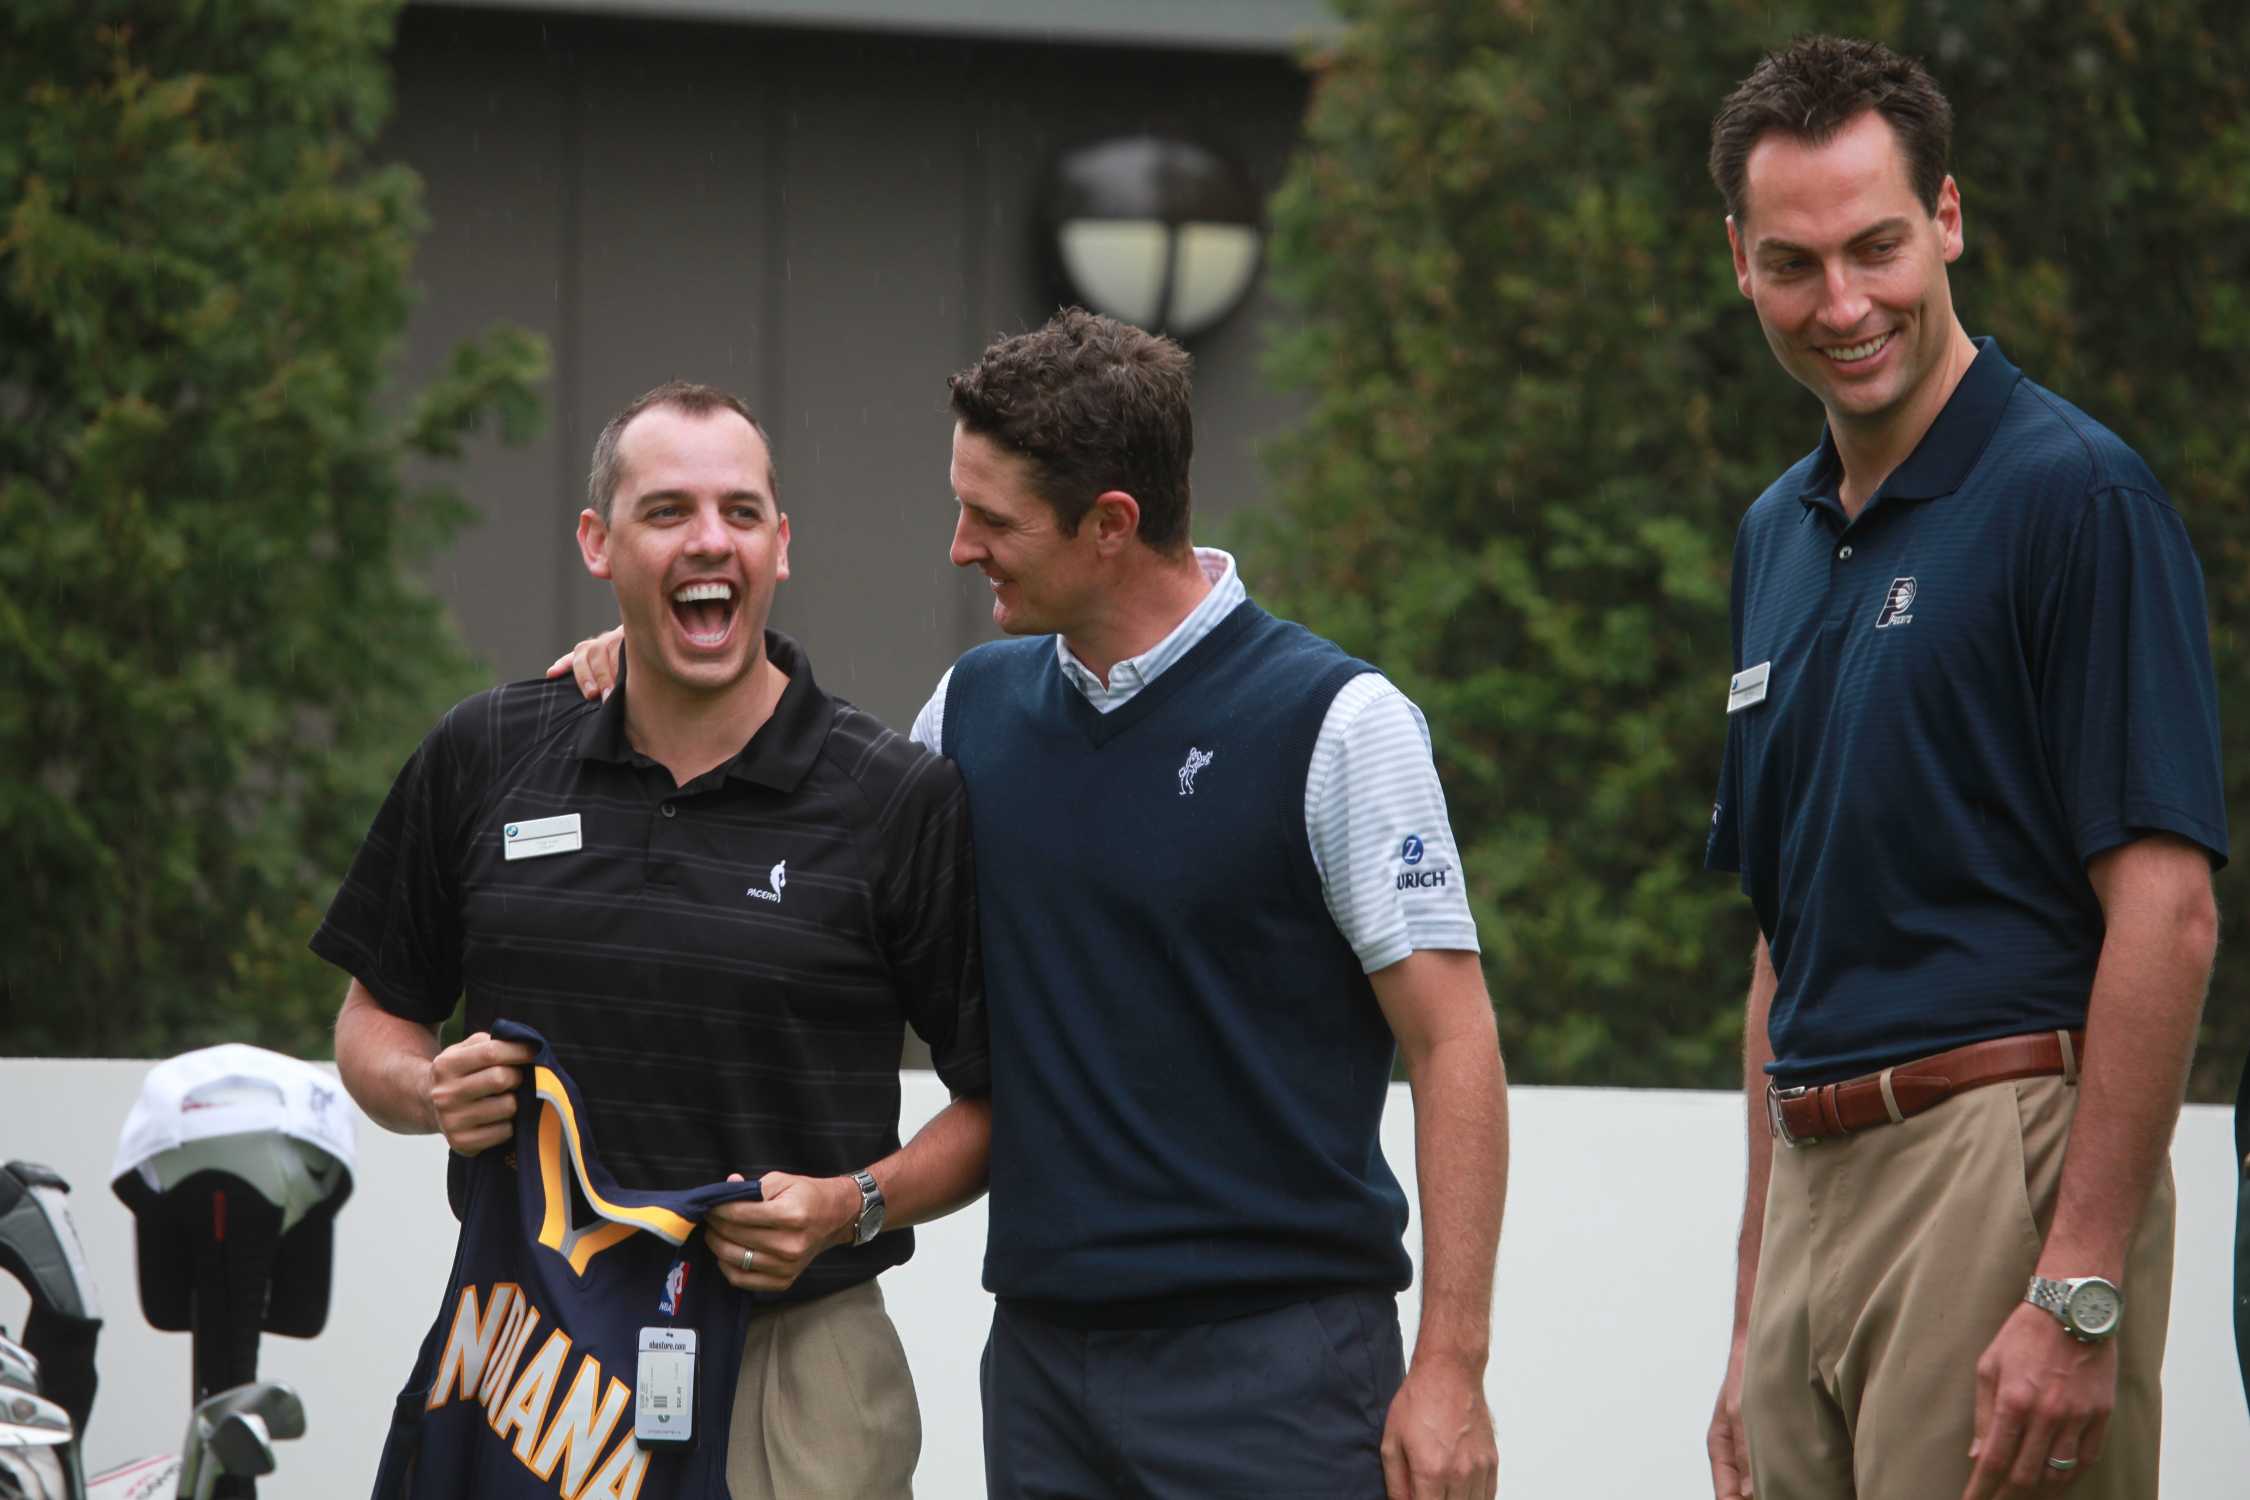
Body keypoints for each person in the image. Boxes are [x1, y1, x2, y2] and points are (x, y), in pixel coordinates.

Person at [558, 311, 1508, 1499]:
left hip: (1279, 1370)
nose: (961, 547)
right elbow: (804, 806)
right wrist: (644, 657)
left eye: (993, 519)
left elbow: (1453, 1041)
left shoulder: (1340, 723)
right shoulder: (974, 709)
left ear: (1111, 524)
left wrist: (1452, 1369)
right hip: (1045, 1371)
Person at [1698, 36, 2225, 1500]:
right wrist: (1752, 1306)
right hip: (1811, 1181)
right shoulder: (1774, 534)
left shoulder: (2075, 497)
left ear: (1945, 218)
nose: (1842, 303)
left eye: (1875, 246)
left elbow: (2168, 915)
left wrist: (2077, 1290)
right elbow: (1777, 940)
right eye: (1794, 263)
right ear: (1740, 263)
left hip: (1993, 1163)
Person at [321, 381, 989, 1499]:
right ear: (599, 542)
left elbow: (998, 1104)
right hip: (524, 1349)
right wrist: (426, 1088)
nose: (708, 540)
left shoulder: (895, 798)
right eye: (667, 511)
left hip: (793, 1367)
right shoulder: (487, 751)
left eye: (738, 512)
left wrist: (850, 1206)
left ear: (781, 545)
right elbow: (371, 1022)